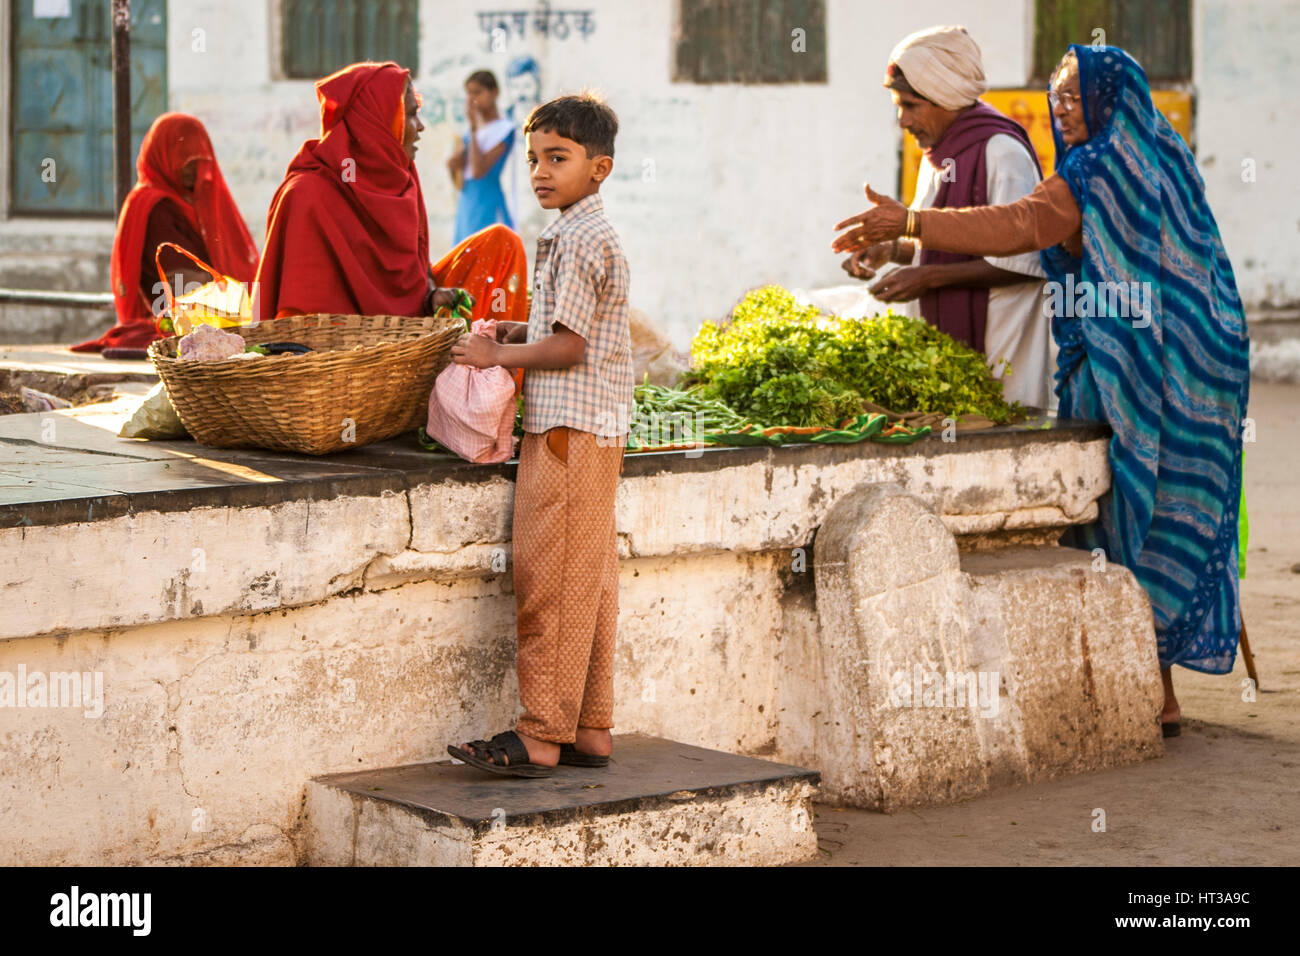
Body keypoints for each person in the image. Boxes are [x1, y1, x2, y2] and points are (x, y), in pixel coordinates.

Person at [832, 45, 1251, 736]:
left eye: (1076, 97)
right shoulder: (1161, 156)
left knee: (1124, 518)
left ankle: (1154, 690)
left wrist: (909, 223)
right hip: (1190, 367)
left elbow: (1022, 227)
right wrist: (908, 238)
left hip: (1136, 375)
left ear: (1112, 100)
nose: (1063, 110)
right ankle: (1156, 686)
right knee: (1156, 509)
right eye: (1057, 97)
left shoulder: (1092, 169)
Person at [447, 93, 632, 776]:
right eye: (533, 159)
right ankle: (589, 728)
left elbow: (570, 349)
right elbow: (559, 333)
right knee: (590, 579)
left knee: (548, 576)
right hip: (594, 429)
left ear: (600, 167)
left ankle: (541, 735)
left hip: (566, 427)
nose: (540, 172)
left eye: (558, 157)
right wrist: (514, 333)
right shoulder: (581, 233)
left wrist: (495, 355)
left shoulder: (580, 239)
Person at [842, 25, 1055, 409]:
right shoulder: (939, 155)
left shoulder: (1002, 152)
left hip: (1001, 339)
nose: (902, 121)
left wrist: (929, 277)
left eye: (910, 106)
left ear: (944, 98)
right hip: (945, 348)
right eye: (898, 107)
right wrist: (891, 250)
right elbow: (943, 241)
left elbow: (1024, 262)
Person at [254, 61, 527, 324]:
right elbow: (303, 318)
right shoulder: (308, 193)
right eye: (410, 114)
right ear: (375, 122)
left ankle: (491, 367)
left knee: (502, 243)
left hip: (411, 332)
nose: (420, 126)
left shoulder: (403, 178)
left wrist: (431, 294)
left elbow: (416, 274)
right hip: (349, 352)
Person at [71, 113, 258, 356]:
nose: (194, 169)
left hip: (211, 314)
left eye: (199, 160)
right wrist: (229, 301)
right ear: (162, 157)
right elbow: (182, 283)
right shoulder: (153, 207)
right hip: (171, 319)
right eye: (184, 160)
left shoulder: (199, 204)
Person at [447, 70, 516, 243]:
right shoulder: (470, 133)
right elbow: (460, 175)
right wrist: (453, 164)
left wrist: (473, 127)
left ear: (495, 93)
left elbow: (478, 170)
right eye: (469, 93)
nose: (472, 99)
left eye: (478, 92)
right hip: (467, 201)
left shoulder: (505, 129)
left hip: (487, 201)